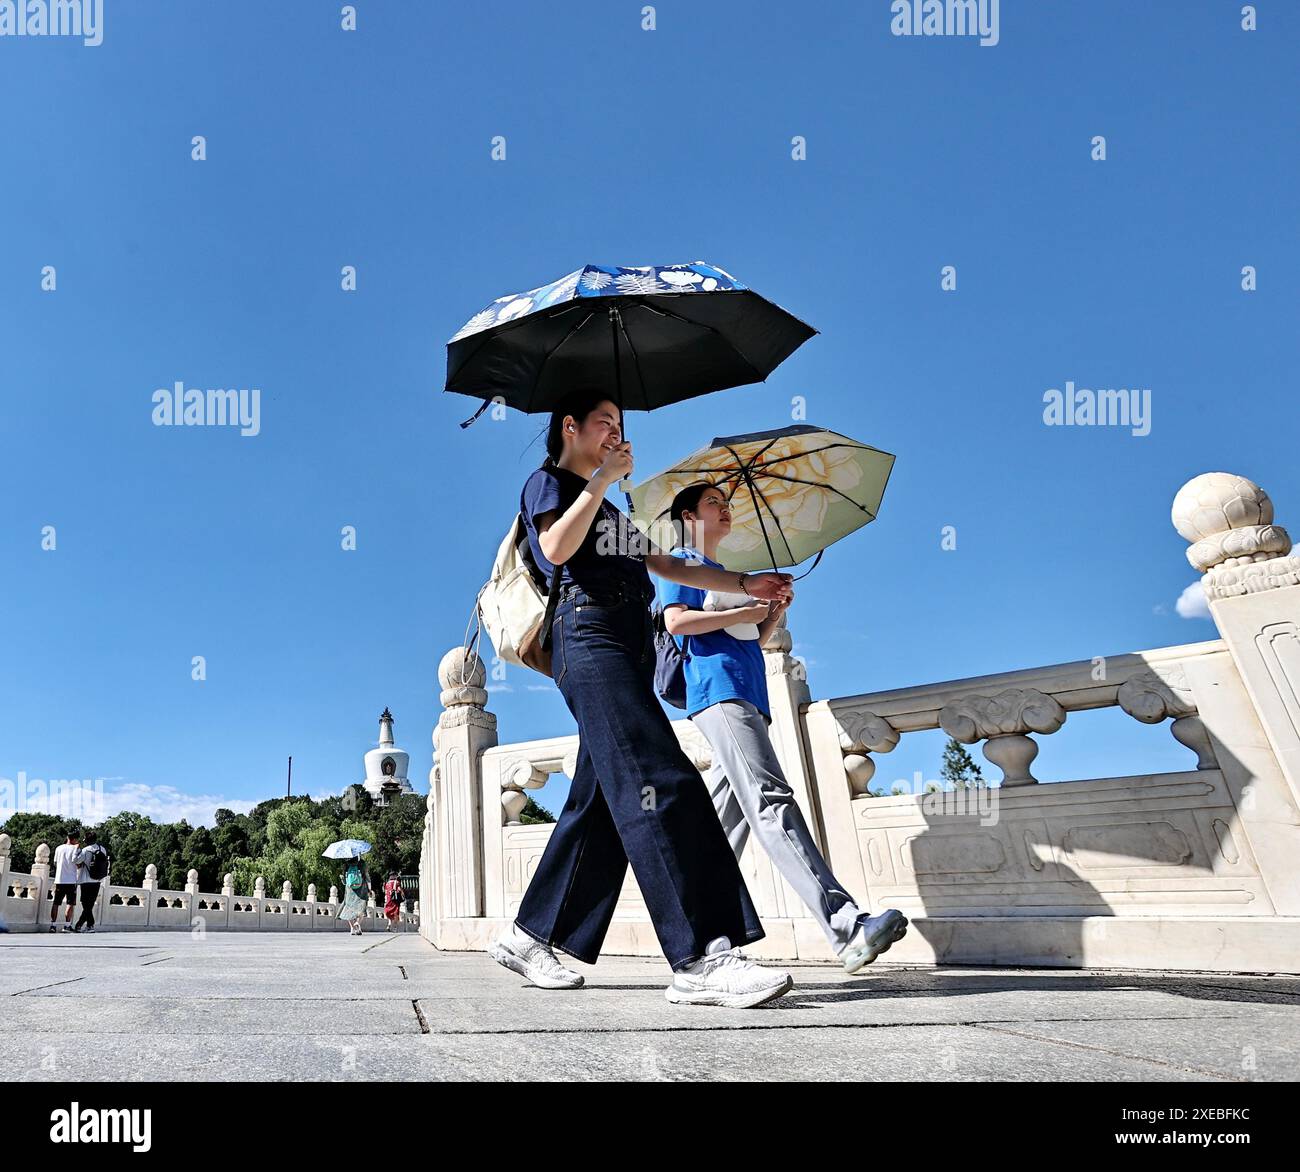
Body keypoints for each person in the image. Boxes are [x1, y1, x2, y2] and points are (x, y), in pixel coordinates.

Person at [488, 390, 799, 1009]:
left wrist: (745, 583)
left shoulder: (612, 512)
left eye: (621, 425)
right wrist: (600, 479)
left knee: (601, 800)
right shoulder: (547, 484)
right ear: (570, 428)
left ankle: (531, 935)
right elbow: (553, 551)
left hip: (626, 650)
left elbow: (665, 564)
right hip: (589, 639)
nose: (614, 432)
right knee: (662, 776)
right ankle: (701, 955)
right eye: (604, 422)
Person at [659, 482, 909, 973]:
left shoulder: (729, 576)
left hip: (748, 691)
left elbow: (752, 639)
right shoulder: (684, 559)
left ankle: (704, 942)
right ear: (688, 515)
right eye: (715, 502)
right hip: (718, 691)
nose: (726, 509)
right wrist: (747, 606)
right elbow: (676, 622)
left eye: (728, 504)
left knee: (721, 827)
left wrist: (772, 613)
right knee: (772, 801)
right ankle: (846, 926)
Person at [73, 830, 109, 934]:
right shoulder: (102, 849)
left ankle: (85, 924)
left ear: (87, 840)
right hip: (97, 880)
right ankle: (85, 925)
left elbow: (76, 861)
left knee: (85, 904)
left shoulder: (86, 850)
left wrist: (76, 850)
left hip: (86, 880)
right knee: (90, 904)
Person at [49, 830, 81, 933]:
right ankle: (67, 926)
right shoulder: (76, 849)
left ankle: (53, 925)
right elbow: (78, 864)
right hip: (71, 880)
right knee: (70, 903)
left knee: (56, 903)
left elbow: (55, 862)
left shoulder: (59, 848)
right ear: (75, 839)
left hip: (59, 879)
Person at [339, 857, 370, 935]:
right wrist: (369, 889)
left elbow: (344, 881)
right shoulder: (362, 863)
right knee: (362, 908)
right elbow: (367, 877)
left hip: (350, 890)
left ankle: (352, 928)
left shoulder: (346, 864)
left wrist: (342, 878)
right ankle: (357, 923)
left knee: (349, 908)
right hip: (361, 889)